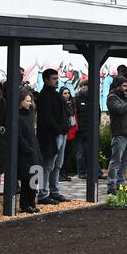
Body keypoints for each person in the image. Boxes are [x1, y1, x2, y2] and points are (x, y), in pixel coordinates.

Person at [34, 68, 70, 205]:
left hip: (60, 133)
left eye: (57, 78)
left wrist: (64, 129)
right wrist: (60, 129)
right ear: (46, 79)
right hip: (51, 135)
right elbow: (48, 118)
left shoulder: (55, 95)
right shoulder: (45, 96)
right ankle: (43, 194)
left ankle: (54, 191)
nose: (57, 81)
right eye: (54, 79)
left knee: (57, 165)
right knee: (47, 165)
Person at [16, 90, 44, 213]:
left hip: (33, 149)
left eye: (30, 101)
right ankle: (25, 204)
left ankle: (31, 202)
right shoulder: (17, 116)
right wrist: (27, 149)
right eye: (27, 101)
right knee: (26, 179)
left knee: (35, 178)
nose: (29, 103)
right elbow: (19, 136)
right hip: (25, 152)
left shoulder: (30, 114)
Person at [74, 79, 95, 179]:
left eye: (85, 86)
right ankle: (81, 172)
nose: (83, 88)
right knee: (81, 152)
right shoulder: (77, 98)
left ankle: (94, 171)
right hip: (80, 130)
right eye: (82, 86)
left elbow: (97, 112)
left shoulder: (93, 98)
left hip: (89, 130)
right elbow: (74, 114)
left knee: (91, 152)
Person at [60, 85, 78, 179]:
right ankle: (60, 173)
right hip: (64, 131)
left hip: (72, 130)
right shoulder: (60, 104)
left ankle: (65, 172)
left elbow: (75, 117)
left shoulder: (72, 104)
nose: (67, 95)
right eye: (65, 93)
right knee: (62, 153)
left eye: (68, 93)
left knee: (68, 153)